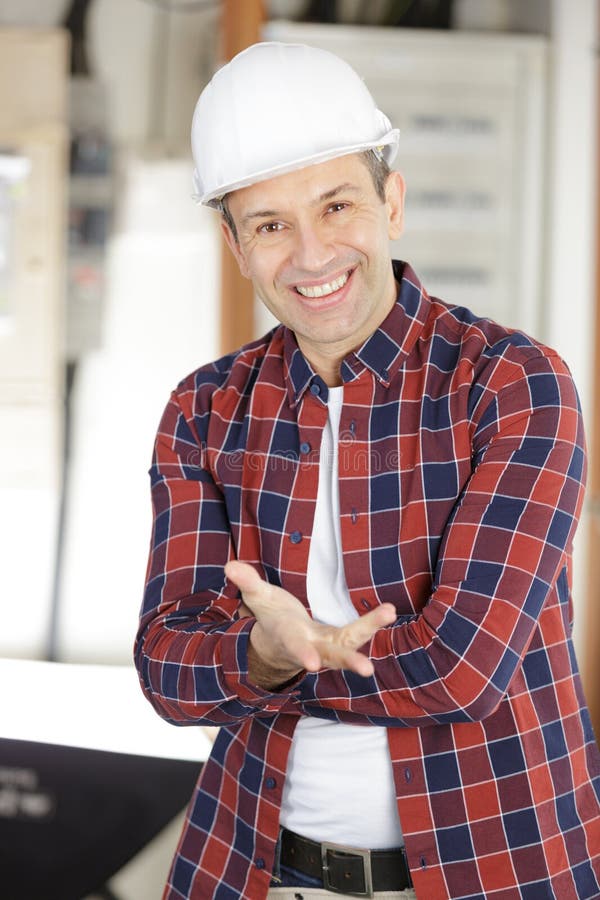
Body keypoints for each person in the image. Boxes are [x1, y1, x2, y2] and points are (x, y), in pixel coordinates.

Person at [134, 41, 600, 900]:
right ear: (236, 245)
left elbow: (464, 670)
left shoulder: (512, 383)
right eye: (269, 223)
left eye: (336, 204)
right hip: (256, 875)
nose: (311, 255)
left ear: (391, 200)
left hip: (491, 871)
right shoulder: (203, 411)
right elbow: (167, 668)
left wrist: (264, 665)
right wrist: (267, 656)